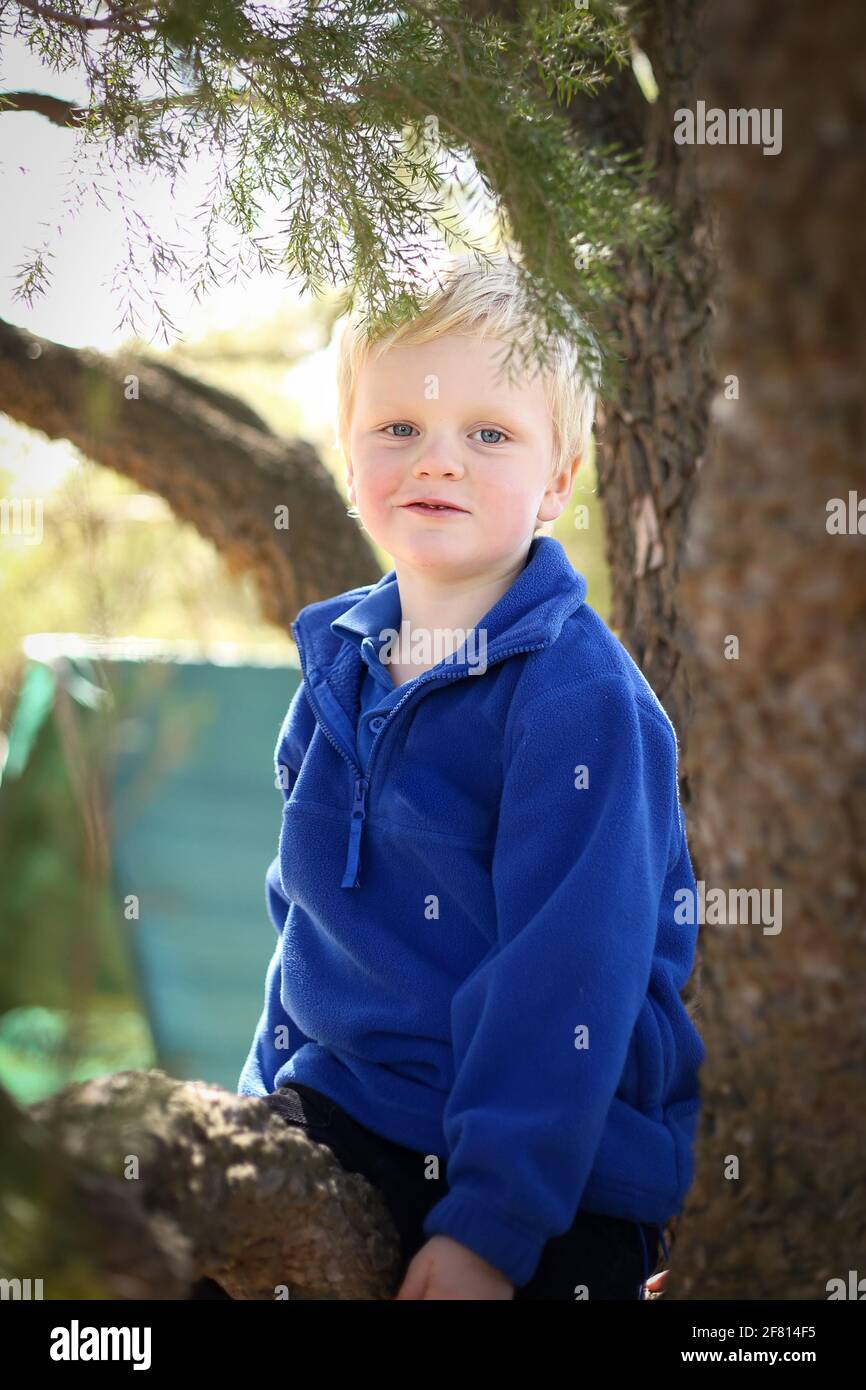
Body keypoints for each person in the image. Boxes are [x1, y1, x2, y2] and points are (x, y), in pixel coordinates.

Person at [236, 253, 705, 1300]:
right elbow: (301, 916)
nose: (435, 461)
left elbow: (567, 973)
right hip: (351, 1109)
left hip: (556, 1168)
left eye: (487, 434)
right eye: (397, 427)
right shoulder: (337, 667)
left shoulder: (577, 699)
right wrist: (251, 1110)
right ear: (348, 452)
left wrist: (488, 1227)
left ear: (557, 478)